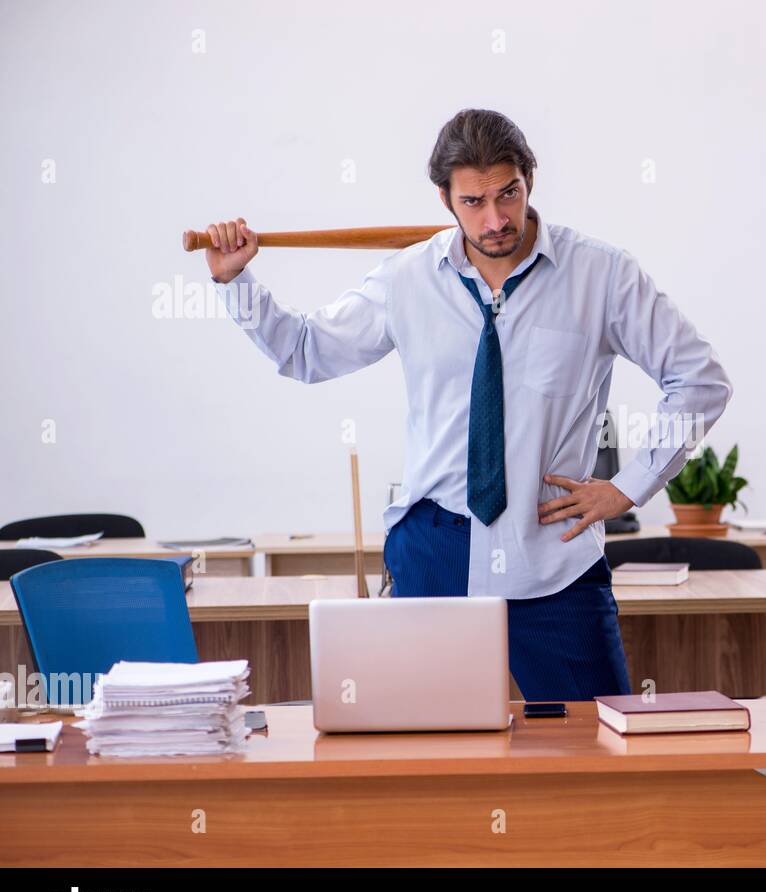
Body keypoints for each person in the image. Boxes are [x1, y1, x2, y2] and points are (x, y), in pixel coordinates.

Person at [206, 108, 732, 700]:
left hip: (553, 558)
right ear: (445, 200)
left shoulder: (602, 276)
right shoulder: (407, 279)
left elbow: (700, 379)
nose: (496, 219)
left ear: (529, 180)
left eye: (508, 194)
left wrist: (630, 486)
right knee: (426, 743)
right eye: (474, 202)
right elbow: (305, 352)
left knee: (599, 741)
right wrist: (234, 283)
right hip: (435, 551)